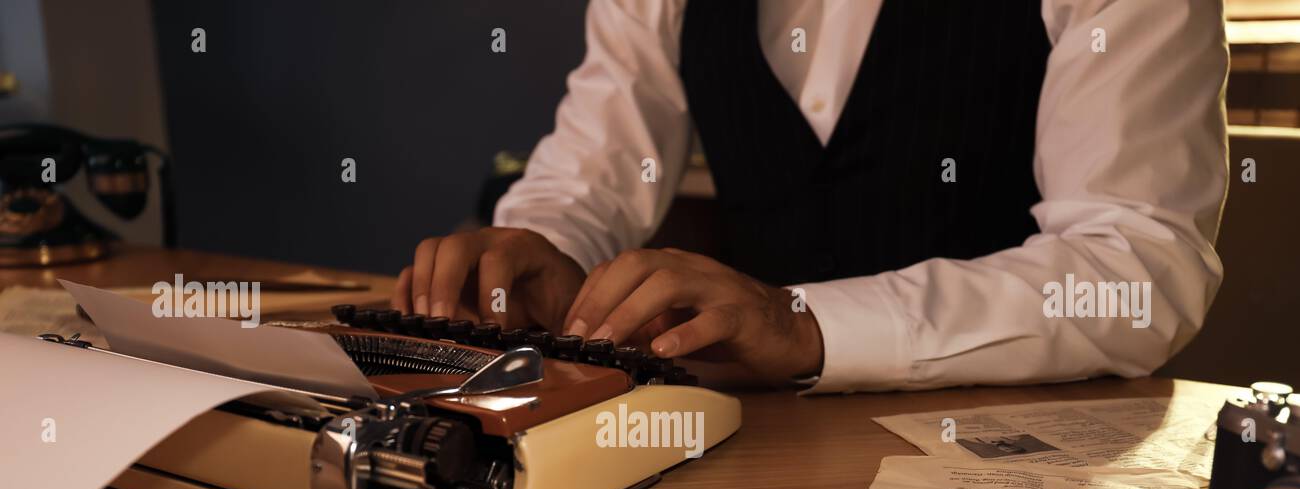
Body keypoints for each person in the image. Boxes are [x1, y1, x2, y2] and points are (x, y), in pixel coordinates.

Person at [393, 0, 1228, 391]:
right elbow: (596, 163)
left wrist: (805, 323)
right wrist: (544, 238)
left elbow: (1138, 263)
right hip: (746, 456)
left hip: (1026, 481)